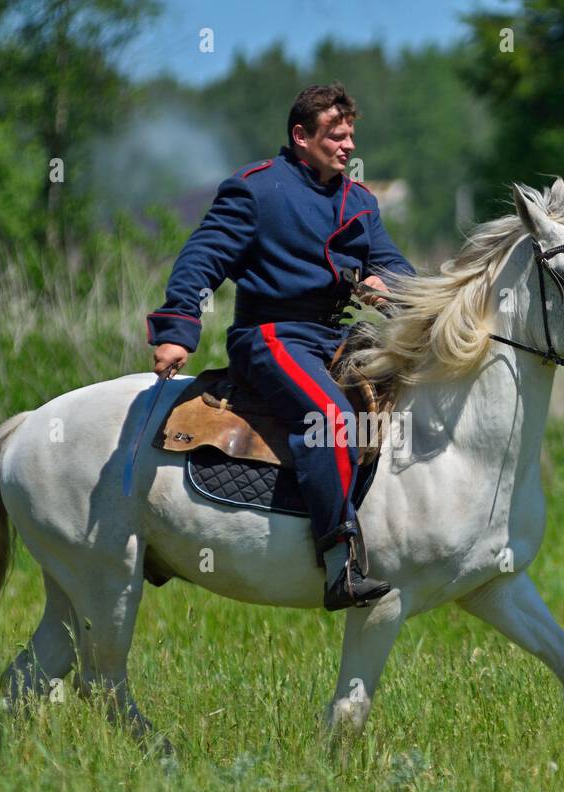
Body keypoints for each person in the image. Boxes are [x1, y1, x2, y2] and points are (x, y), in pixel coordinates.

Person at [146, 82, 416, 611]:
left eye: (350, 136)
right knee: (329, 419)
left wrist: (401, 297)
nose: (348, 147)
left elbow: (392, 267)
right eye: (336, 136)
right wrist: (178, 329)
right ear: (300, 136)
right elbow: (201, 260)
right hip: (269, 338)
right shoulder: (256, 188)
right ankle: (339, 562)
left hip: (335, 339)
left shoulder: (360, 201)